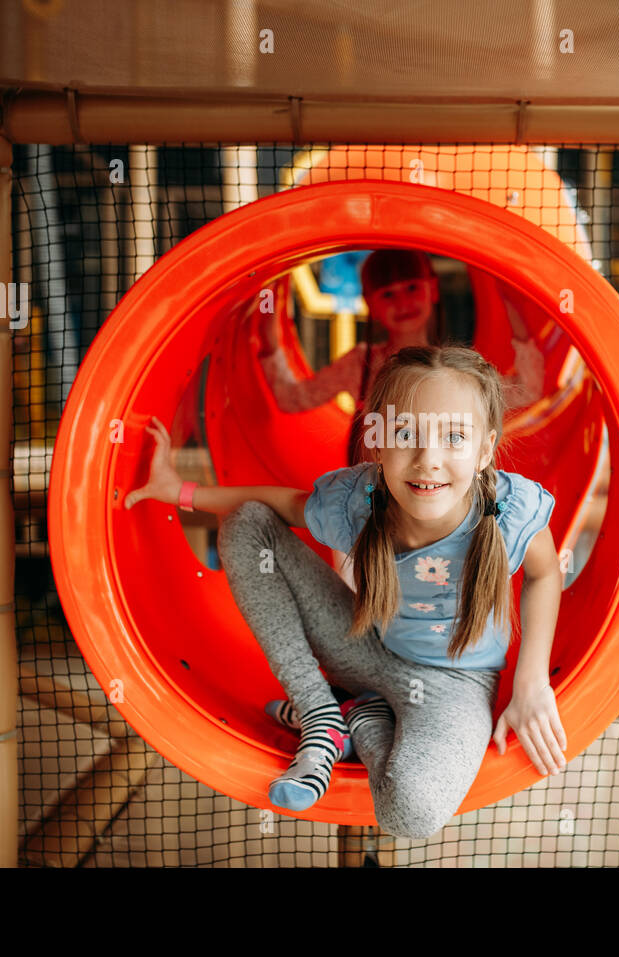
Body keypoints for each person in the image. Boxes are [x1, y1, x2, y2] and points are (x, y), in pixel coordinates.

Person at [125, 345, 566, 839]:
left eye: (454, 438)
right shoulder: (360, 499)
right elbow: (275, 504)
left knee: (412, 811)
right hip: (364, 647)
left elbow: (545, 575)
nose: (428, 460)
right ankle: (319, 712)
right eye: (406, 434)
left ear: (485, 450)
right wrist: (179, 491)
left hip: (456, 685)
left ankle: (361, 717)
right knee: (248, 524)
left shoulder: (508, 512)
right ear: (377, 443)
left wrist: (531, 681)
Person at [256, 249, 547, 461]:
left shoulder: (453, 367)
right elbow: (292, 399)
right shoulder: (362, 364)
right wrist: (268, 333)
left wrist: (513, 305)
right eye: (388, 294)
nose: (403, 302)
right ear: (371, 305)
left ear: (433, 290)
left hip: (432, 491)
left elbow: (528, 390)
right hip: (372, 496)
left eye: (411, 288)